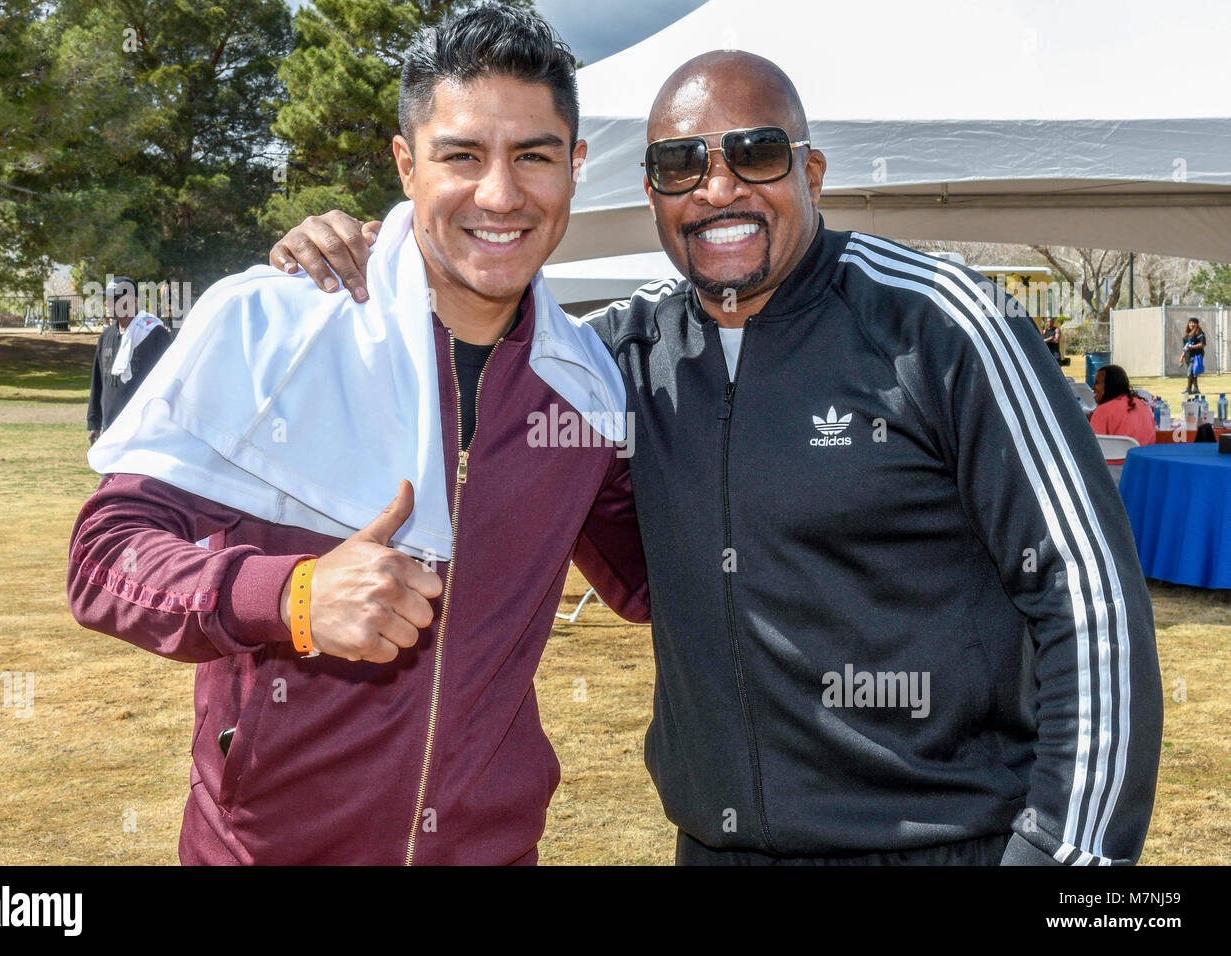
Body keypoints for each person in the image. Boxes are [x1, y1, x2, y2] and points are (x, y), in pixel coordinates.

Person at [275, 51, 1163, 866]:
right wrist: (364, 255)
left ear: (811, 172)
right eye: (680, 165)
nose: (718, 186)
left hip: (947, 841)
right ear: (655, 193)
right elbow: (463, 343)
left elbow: (1089, 602)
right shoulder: (608, 363)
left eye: (758, 153)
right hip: (713, 844)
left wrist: (1069, 862)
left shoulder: (937, 326)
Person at [68, 5, 649, 865]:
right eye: (461, 156)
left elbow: (654, 581)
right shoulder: (276, 321)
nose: (500, 193)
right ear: (406, 165)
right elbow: (105, 559)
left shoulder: (588, 383)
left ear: (575, 166)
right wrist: (291, 596)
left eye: (534, 155)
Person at [85, 277, 171, 445]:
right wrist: (94, 422)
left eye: (115, 299)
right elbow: (98, 382)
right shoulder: (106, 336)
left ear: (133, 301)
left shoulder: (154, 334)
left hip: (143, 429)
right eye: (107, 299)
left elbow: (169, 379)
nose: (108, 303)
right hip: (110, 426)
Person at [1090, 364, 1156, 446]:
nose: (1093, 388)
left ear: (1109, 386)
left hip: (1113, 458)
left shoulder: (1102, 411)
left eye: (1097, 383)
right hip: (1143, 457)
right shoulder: (1142, 405)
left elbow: (1094, 446)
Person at [1180, 316, 1206, 394]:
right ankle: (1196, 389)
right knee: (1193, 372)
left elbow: (1203, 344)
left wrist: (1192, 347)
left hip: (1196, 355)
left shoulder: (1199, 333)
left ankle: (1188, 390)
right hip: (1188, 355)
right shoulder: (1187, 335)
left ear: (1197, 324)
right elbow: (1185, 347)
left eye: (1193, 323)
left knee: (1190, 372)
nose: (1191, 324)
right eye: (1190, 323)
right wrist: (1182, 357)